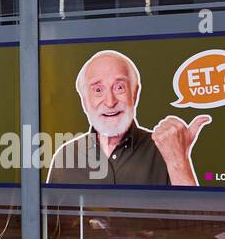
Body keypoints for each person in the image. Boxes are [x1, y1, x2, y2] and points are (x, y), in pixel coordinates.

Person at [47, 50, 210, 186]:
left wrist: (178, 161)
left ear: (135, 93)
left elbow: (194, 222)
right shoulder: (66, 156)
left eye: (119, 87)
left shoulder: (164, 150)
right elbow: (53, 223)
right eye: (98, 90)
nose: (110, 102)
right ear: (84, 100)